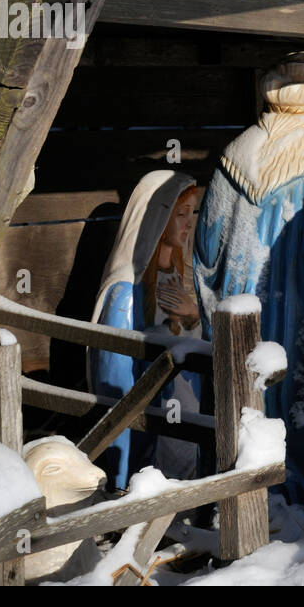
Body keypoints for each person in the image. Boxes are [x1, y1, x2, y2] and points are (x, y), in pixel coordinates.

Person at [193, 52, 304, 519]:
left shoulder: (233, 157)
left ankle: (227, 511)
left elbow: (205, 253)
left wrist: (217, 310)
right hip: (294, 331)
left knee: (233, 421)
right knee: (300, 429)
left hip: (235, 323)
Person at [89, 171, 201, 490]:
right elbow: (117, 379)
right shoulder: (126, 290)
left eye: (191, 213)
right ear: (156, 217)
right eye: (180, 214)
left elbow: (188, 339)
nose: (188, 223)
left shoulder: (176, 273)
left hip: (177, 409)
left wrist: (191, 316)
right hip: (148, 420)